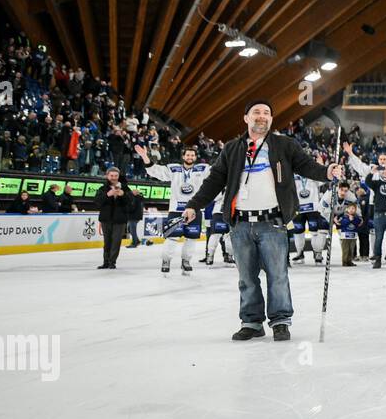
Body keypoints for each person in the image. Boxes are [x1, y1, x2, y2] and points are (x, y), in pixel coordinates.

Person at [181, 100, 342, 342]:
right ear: (245, 118)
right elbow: (214, 181)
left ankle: (280, 321)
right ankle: (252, 322)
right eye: (256, 112)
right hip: (241, 224)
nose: (262, 116)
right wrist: (194, 205)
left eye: (266, 113)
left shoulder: (284, 145)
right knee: (246, 278)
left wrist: (327, 172)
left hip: (272, 222)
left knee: (277, 275)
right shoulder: (233, 149)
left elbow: (306, 166)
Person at [134, 144, 210, 275]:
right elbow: (154, 170)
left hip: (195, 209)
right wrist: (144, 156)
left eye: (192, 155)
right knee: (172, 237)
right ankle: (166, 261)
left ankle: (186, 261)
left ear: (196, 157)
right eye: (187, 155)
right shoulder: (173, 169)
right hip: (176, 210)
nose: (190, 157)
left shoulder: (203, 169)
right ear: (183, 156)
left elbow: (220, 170)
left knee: (191, 238)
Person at [92, 167, 134, 269]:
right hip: (106, 219)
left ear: (118, 176)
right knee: (107, 242)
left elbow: (131, 202)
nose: (114, 178)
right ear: (107, 176)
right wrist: (108, 195)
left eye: (116, 176)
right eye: (111, 176)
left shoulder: (125, 188)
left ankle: (112, 262)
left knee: (116, 241)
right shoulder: (103, 189)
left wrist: (123, 195)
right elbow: (97, 202)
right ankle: (106, 262)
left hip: (120, 220)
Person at [337, 202, 361, 266]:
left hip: (353, 236)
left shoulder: (356, 217)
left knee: (351, 249)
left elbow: (358, 223)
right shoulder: (344, 217)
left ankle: (349, 261)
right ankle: (344, 262)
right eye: (349, 208)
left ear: (355, 210)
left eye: (353, 208)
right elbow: (342, 223)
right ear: (347, 209)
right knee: (345, 250)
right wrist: (349, 220)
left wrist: (353, 219)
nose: (351, 210)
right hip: (345, 237)